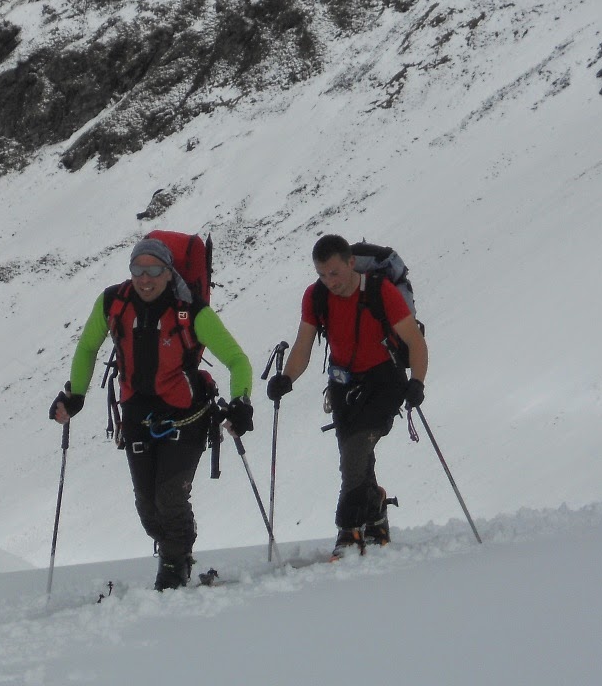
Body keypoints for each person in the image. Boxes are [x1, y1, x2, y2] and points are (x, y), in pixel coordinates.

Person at [50, 237, 254, 589]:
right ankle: (177, 549)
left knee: (169, 496)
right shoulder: (113, 303)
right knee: (148, 508)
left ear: (168, 271)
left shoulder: (190, 310)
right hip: (136, 416)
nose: (145, 278)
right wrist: (76, 396)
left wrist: (241, 402)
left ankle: (174, 566)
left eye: (154, 270)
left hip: (186, 415)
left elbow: (238, 361)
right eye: (138, 270)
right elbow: (86, 349)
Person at [265, 234, 428, 558]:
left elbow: (415, 341)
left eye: (335, 273)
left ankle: (349, 531)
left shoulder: (381, 291)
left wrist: (417, 381)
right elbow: (303, 345)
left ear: (351, 263)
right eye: (322, 274)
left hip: (385, 381)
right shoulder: (316, 297)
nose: (330, 281)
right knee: (357, 455)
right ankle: (375, 511)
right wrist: (286, 378)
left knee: (354, 452)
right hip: (343, 386)